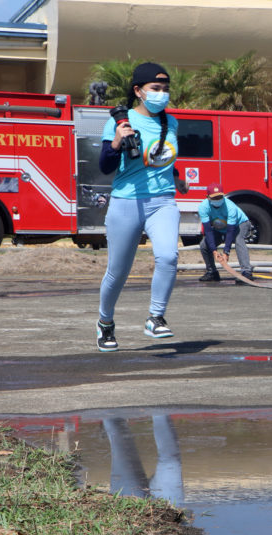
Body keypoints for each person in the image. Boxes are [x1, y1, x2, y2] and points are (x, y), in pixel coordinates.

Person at [96, 62, 186, 351]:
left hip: (163, 201)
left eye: (165, 89)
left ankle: (156, 317)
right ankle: (105, 323)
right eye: (155, 89)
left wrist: (176, 178)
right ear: (139, 91)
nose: (162, 94)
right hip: (126, 202)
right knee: (117, 272)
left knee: (168, 257)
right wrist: (116, 144)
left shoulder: (171, 123)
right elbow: (105, 167)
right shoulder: (120, 122)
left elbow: (162, 157)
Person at [196, 183, 254, 284]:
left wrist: (226, 252)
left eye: (220, 197)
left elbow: (231, 231)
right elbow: (208, 231)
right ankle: (212, 272)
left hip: (239, 224)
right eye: (214, 198)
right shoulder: (203, 207)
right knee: (204, 245)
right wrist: (214, 251)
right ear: (207, 198)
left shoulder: (230, 207)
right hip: (220, 227)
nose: (218, 199)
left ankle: (246, 272)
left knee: (238, 240)